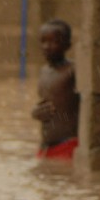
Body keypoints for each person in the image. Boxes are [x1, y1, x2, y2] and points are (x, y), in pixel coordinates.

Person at [31, 19, 79, 160]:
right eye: (43, 41)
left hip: (67, 145)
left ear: (67, 45)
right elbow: (46, 102)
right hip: (45, 148)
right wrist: (35, 112)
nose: (47, 46)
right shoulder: (43, 71)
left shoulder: (73, 70)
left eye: (54, 42)